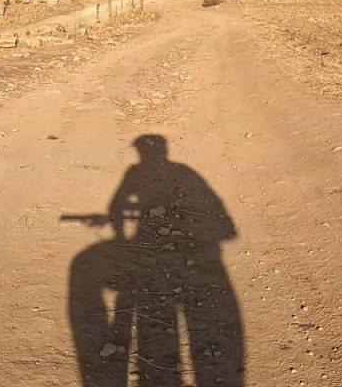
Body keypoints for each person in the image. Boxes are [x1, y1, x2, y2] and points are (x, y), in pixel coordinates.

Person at [67, 135, 243, 386]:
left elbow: (118, 204)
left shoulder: (151, 172)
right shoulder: (172, 172)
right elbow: (118, 203)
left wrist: (121, 236)